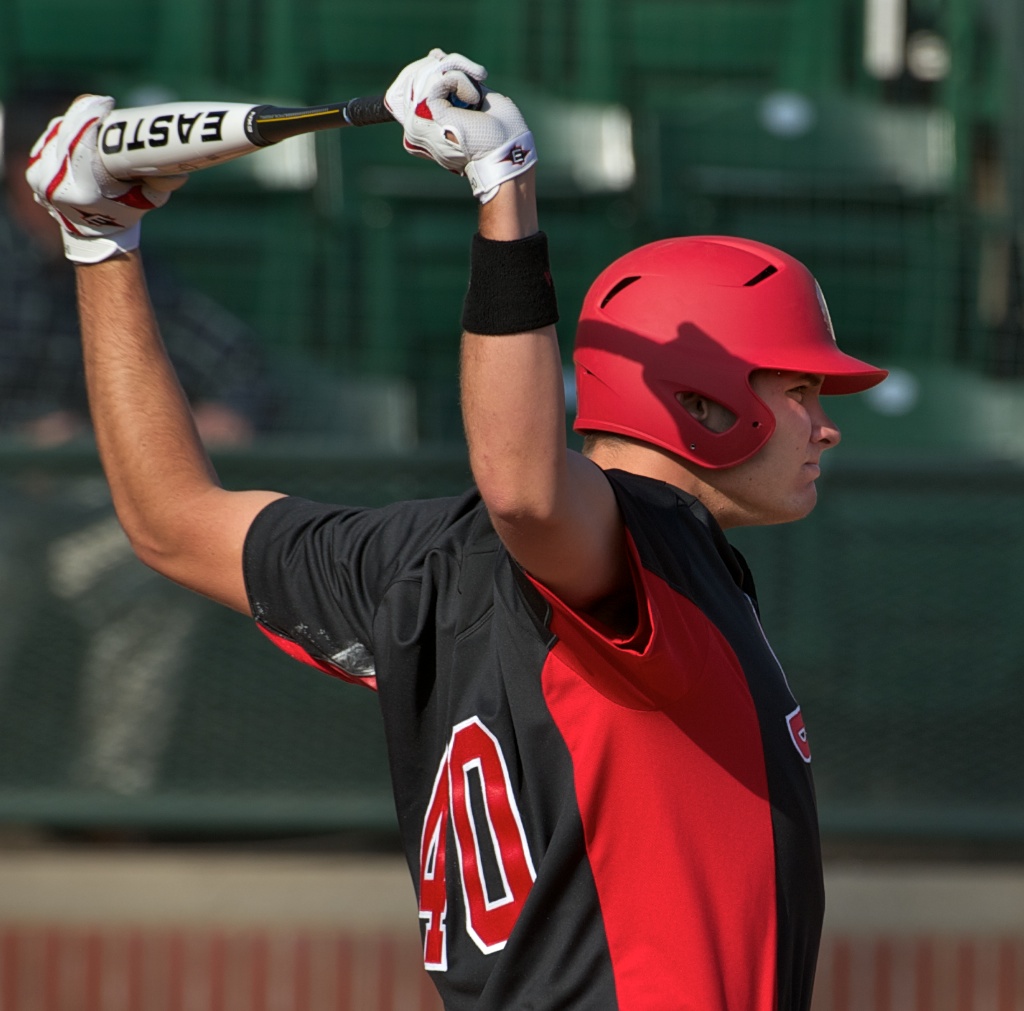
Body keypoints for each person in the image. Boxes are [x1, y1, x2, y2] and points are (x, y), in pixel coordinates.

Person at [26, 51, 886, 1010]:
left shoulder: (416, 558)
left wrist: (101, 248)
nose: (826, 420)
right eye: (801, 388)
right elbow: (523, 490)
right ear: (703, 401)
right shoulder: (655, 551)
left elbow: (170, 521)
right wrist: (504, 194)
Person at [2, 83, 275, 445]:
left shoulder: (126, 254)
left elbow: (236, 362)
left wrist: (221, 418)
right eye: (92, 167)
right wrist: (21, 439)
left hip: (94, 489)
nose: (112, 185)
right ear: (28, 168)